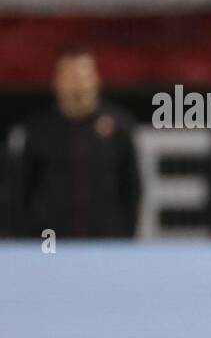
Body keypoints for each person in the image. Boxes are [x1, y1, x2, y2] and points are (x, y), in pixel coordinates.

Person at [11, 47, 139, 238]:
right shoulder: (38, 130)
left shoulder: (119, 127)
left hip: (106, 242)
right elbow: (22, 191)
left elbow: (131, 188)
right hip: (50, 241)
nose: (77, 84)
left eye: (83, 76)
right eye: (70, 76)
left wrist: (124, 237)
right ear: (56, 81)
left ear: (96, 79)